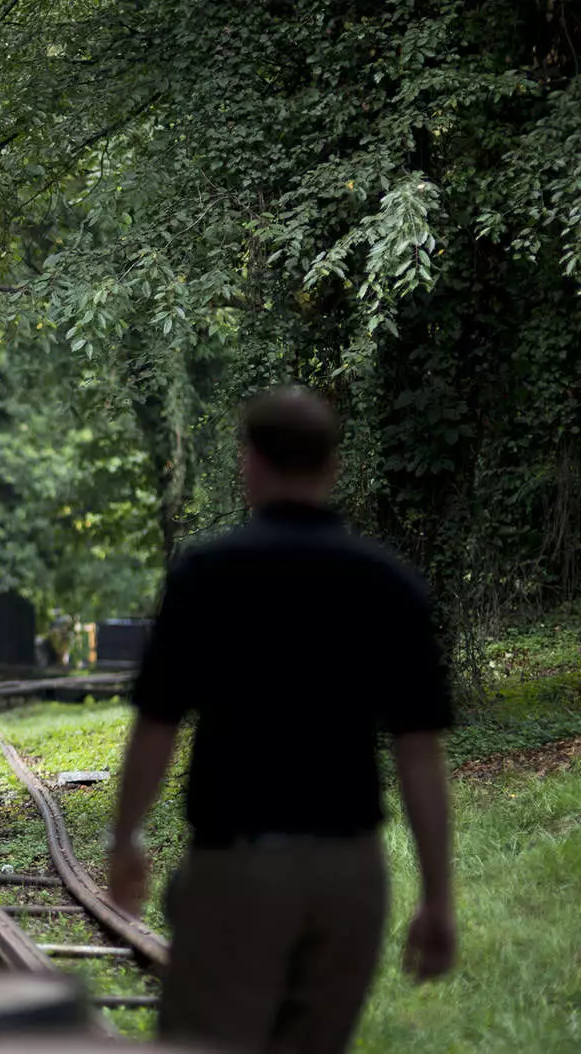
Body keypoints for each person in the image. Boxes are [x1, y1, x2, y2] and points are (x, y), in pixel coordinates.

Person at [106, 386, 456, 1053]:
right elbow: (419, 753)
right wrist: (438, 896)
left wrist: (127, 840)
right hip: (349, 877)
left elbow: (157, 726)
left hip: (238, 868)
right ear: (333, 466)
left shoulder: (207, 574)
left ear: (250, 462)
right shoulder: (389, 583)